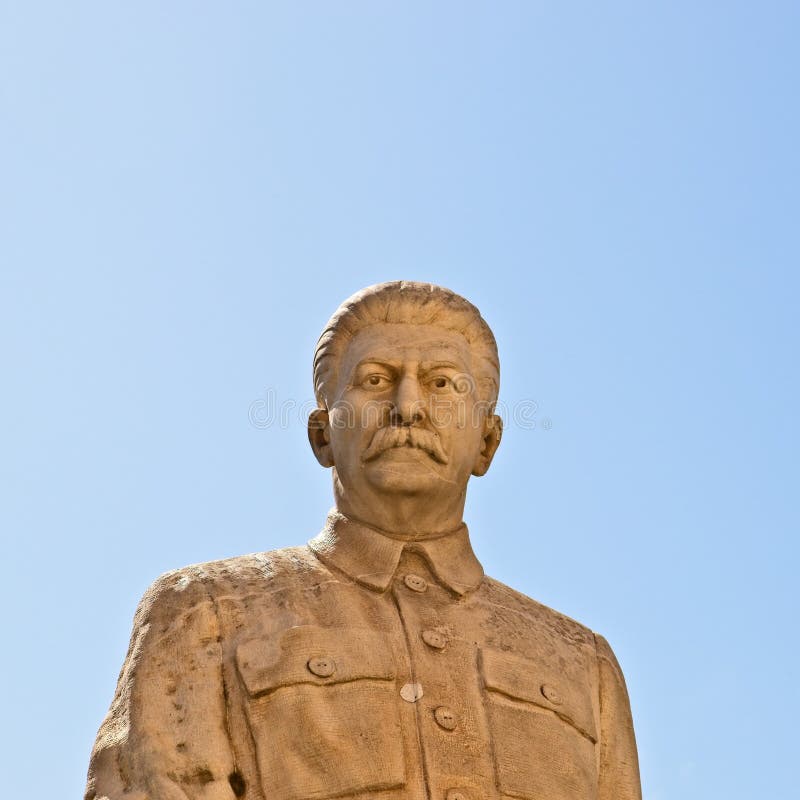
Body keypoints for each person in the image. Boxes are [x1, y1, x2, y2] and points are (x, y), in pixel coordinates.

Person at [86, 281, 641, 800]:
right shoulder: (206, 610)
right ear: (322, 435)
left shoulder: (583, 665)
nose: (408, 408)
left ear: (487, 443)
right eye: (375, 380)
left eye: (443, 383)